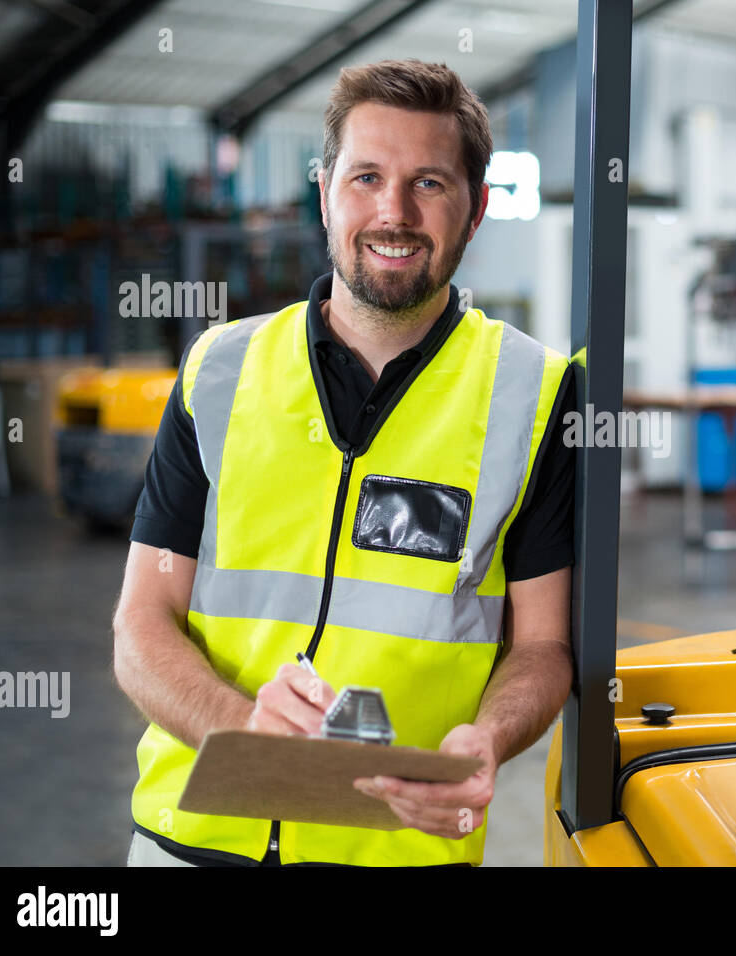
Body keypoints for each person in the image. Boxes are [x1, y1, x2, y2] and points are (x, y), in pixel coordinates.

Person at [112, 58, 576, 867]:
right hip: (191, 843)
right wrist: (240, 729)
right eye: (366, 177)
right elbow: (141, 625)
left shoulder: (534, 395)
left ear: (476, 212)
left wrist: (489, 741)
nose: (392, 213)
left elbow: (541, 648)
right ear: (325, 192)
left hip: (400, 850)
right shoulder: (218, 372)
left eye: (429, 183)